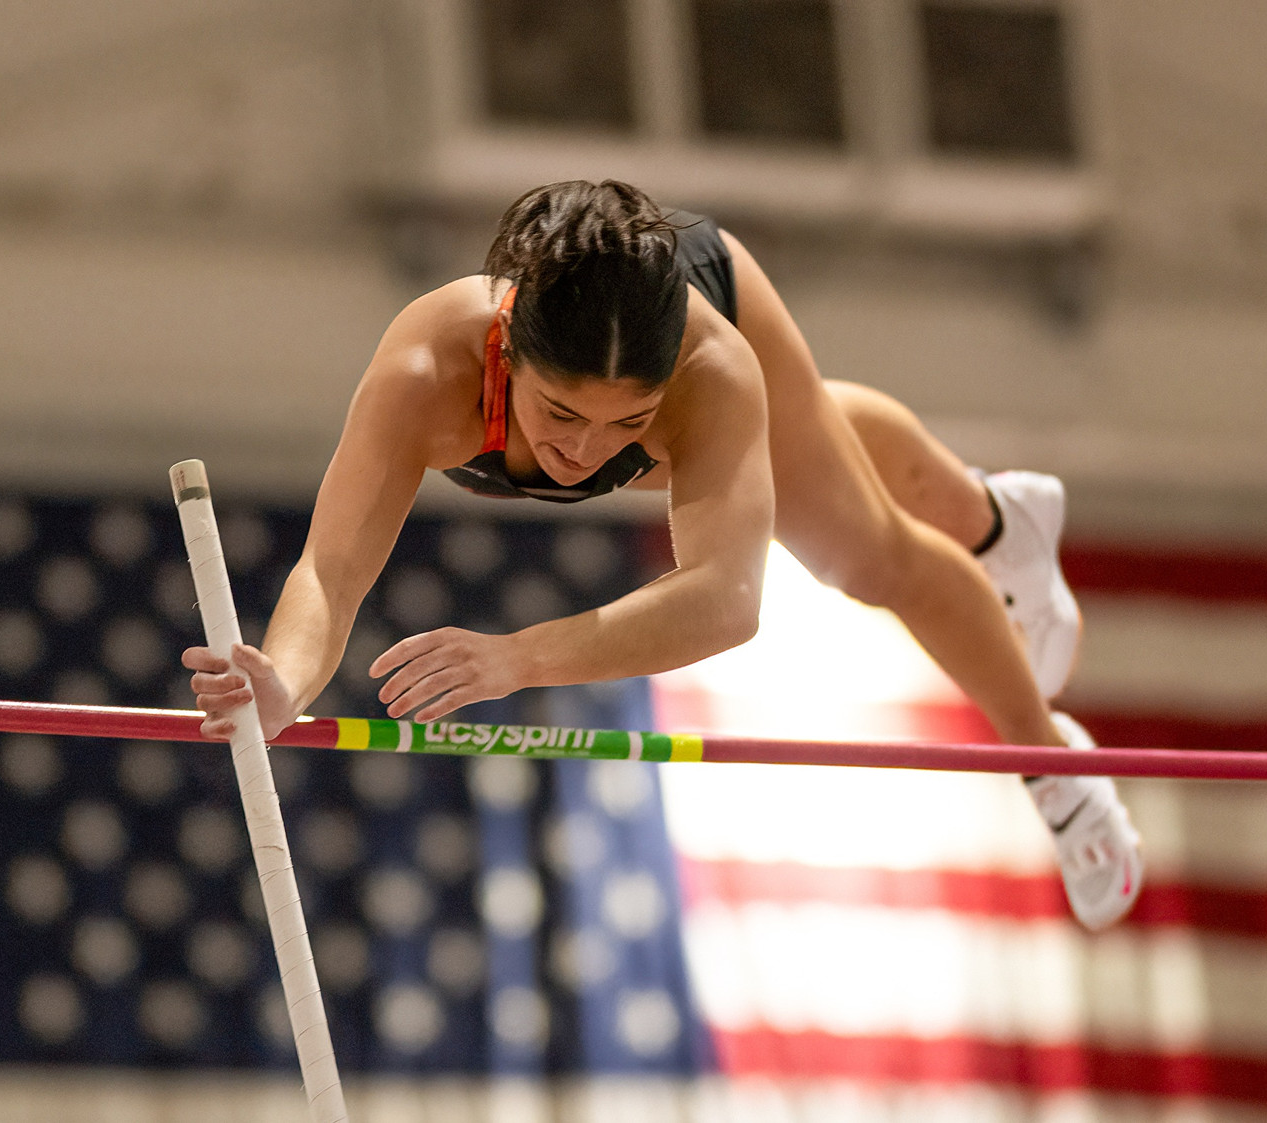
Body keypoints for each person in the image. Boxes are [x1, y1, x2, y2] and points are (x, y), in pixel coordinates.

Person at [185, 180, 1141, 929]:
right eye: (561, 412)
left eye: (624, 420)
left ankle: (1053, 759)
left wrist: (522, 656)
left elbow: (727, 599)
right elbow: (334, 568)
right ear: (505, 346)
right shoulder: (423, 369)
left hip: (716, 295)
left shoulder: (713, 370)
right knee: (806, 444)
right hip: (656, 398)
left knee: (861, 556)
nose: (585, 451)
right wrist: (291, 685)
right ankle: (993, 514)